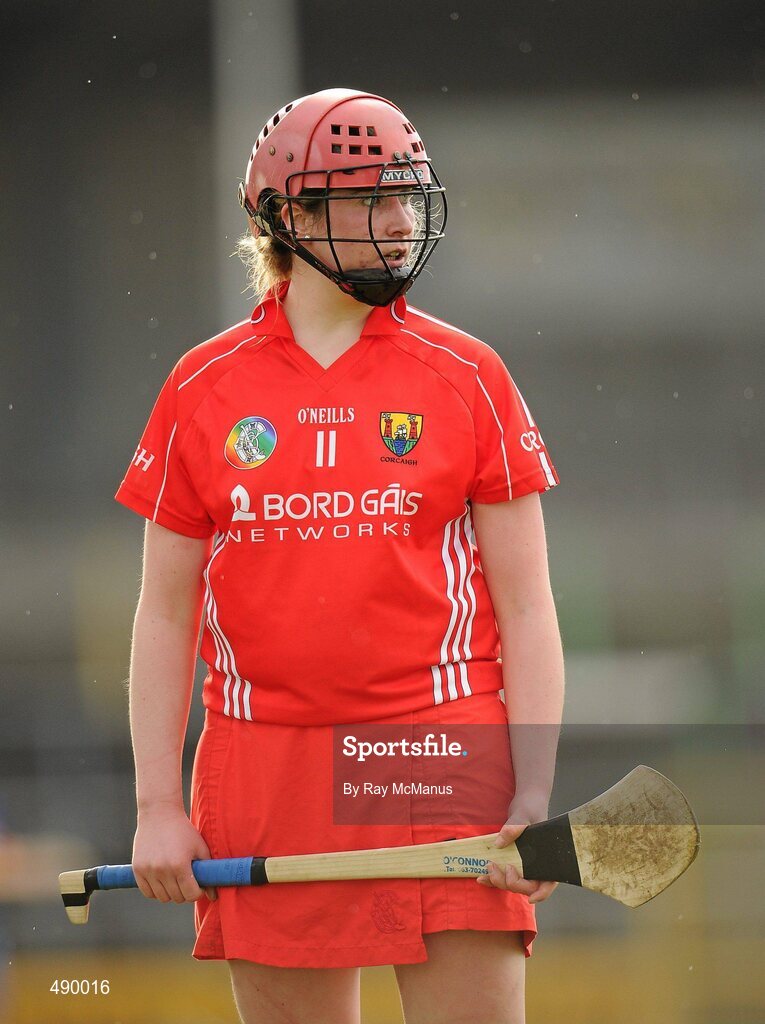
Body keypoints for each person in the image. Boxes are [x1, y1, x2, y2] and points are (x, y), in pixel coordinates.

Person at [116, 88, 564, 1024]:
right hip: (264, 762)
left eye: (408, 197)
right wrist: (159, 804)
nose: (401, 223)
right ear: (291, 216)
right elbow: (163, 612)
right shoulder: (204, 385)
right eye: (373, 200)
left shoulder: (468, 374)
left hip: (439, 747)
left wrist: (530, 792)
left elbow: (526, 607)